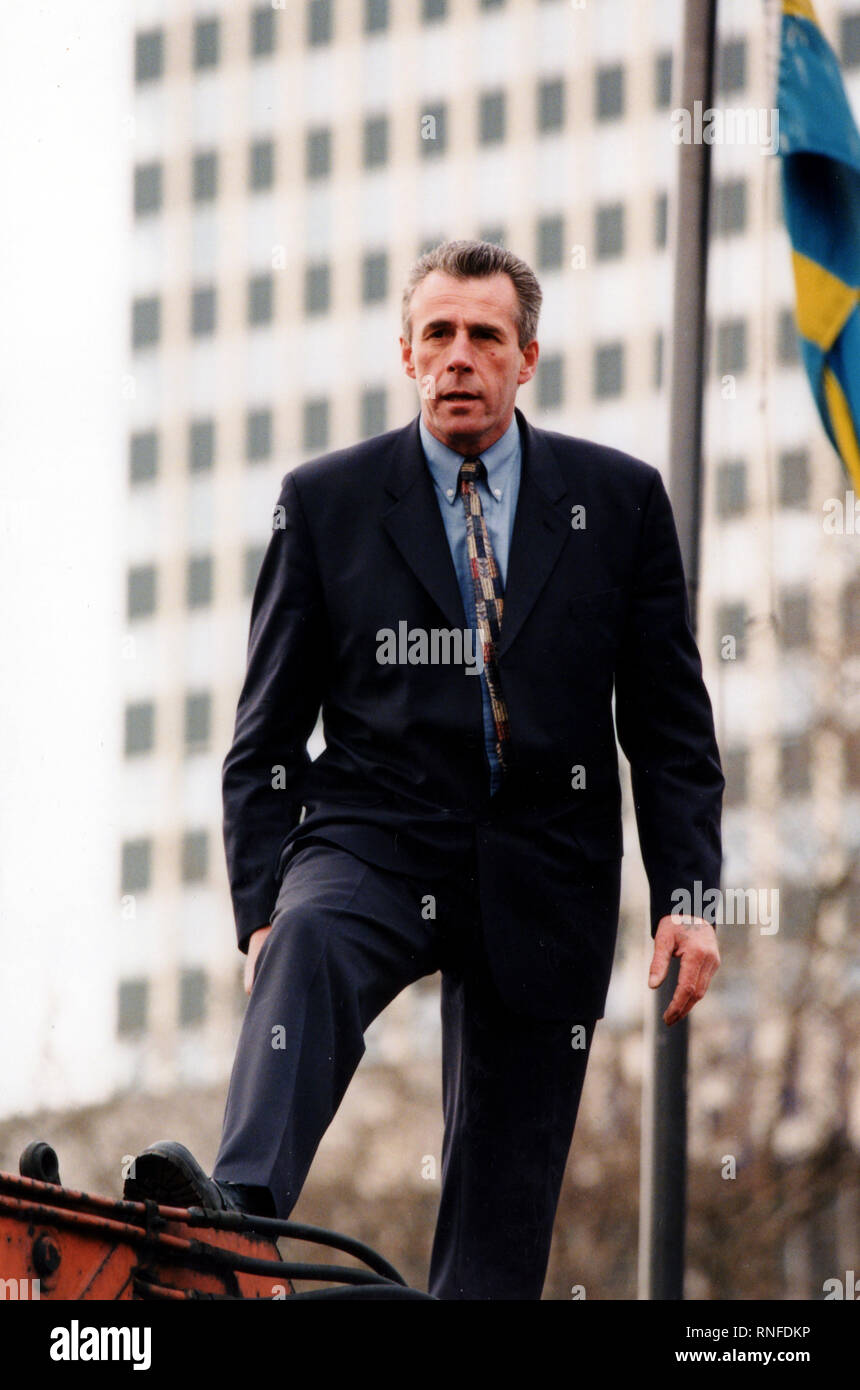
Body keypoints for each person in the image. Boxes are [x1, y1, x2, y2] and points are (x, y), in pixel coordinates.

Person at [125, 239, 724, 1300]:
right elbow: (262, 737)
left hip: (548, 863)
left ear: (525, 357)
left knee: (496, 1234)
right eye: (438, 334)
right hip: (374, 833)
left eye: (483, 336)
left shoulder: (618, 503)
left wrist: (685, 897)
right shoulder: (324, 502)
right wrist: (259, 907)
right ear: (405, 352)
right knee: (305, 942)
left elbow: (670, 728)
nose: (459, 356)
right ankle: (233, 1224)